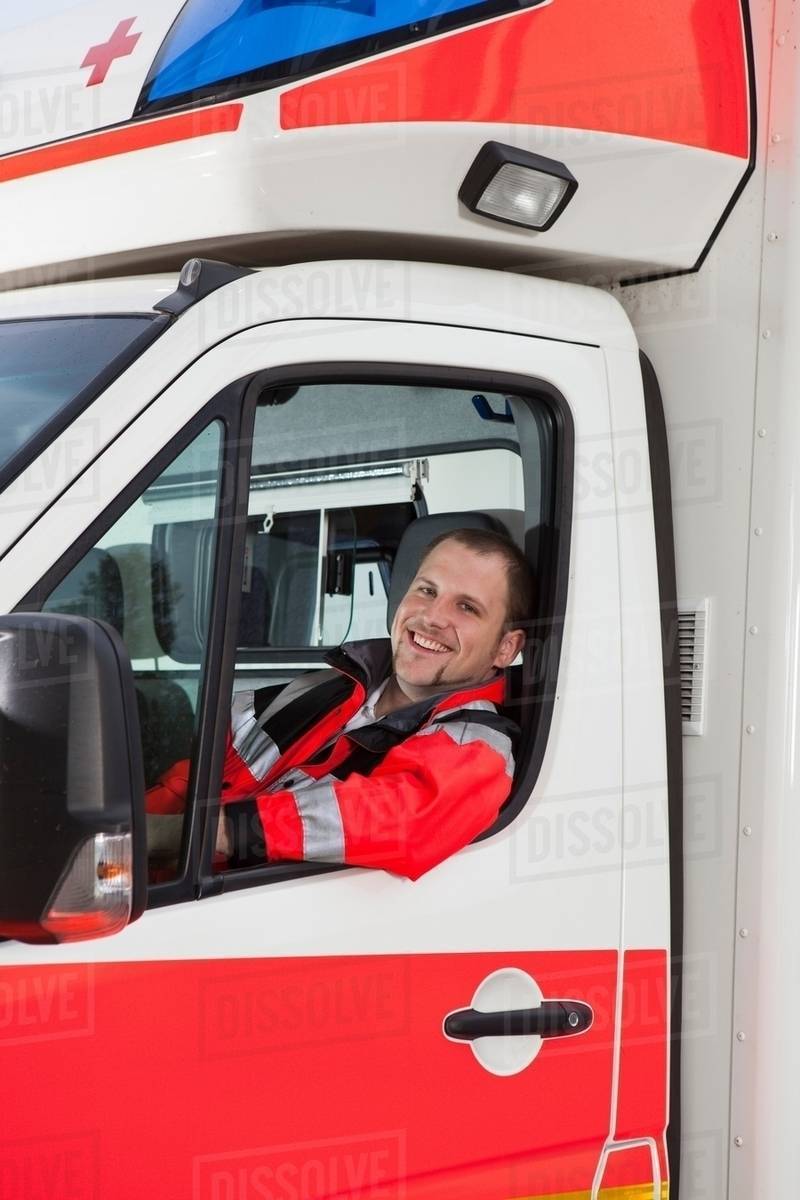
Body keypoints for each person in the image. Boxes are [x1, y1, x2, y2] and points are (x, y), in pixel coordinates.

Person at [146, 528, 532, 880]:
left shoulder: (479, 746)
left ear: (506, 647)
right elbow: (199, 772)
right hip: (164, 888)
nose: (431, 616)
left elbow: (400, 816)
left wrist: (203, 832)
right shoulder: (327, 686)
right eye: (427, 590)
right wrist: (135, 827)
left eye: (467, 608)